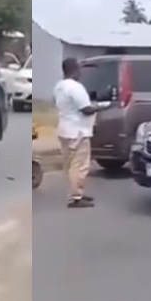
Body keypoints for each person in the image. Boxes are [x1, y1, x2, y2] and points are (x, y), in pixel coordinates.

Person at [54, 57, 106, 208]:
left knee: (70, 165)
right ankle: (75, 197)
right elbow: (86, 109)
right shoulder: (76, 87)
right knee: (80, 166)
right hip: (78, 132)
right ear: (75, 69)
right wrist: (101, 107)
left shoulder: (59, 86)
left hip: (64, 129)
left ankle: (76, 192)